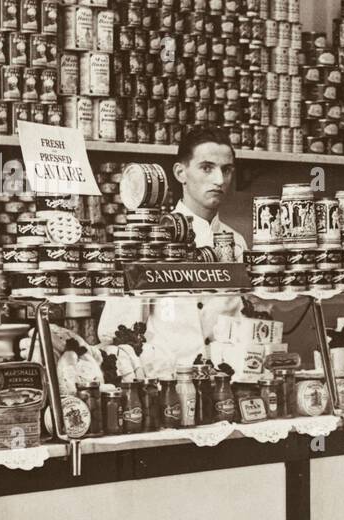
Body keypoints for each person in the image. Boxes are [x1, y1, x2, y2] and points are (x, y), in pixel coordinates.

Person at [97, 126, 251, 372]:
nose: (219, 180)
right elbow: (118, 334)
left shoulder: (237, 242)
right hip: (165, 384)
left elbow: (243, 323)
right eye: (207, 168)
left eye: (227, 170)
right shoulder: (150, 242)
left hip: (225, 385)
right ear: (181, 172)